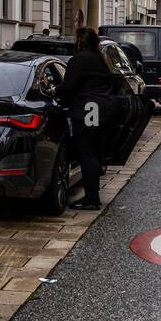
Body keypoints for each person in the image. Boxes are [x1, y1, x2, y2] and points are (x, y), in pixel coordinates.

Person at [60, 28, 119, 210]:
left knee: (88, 153)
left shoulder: (79, 59)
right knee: (93, 153)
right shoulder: (99, 58)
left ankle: (92, 199)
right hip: (102, 107)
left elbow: (68, 87)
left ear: (80, 42)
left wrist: (55, 90)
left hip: (89, 109)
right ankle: (91, 196)